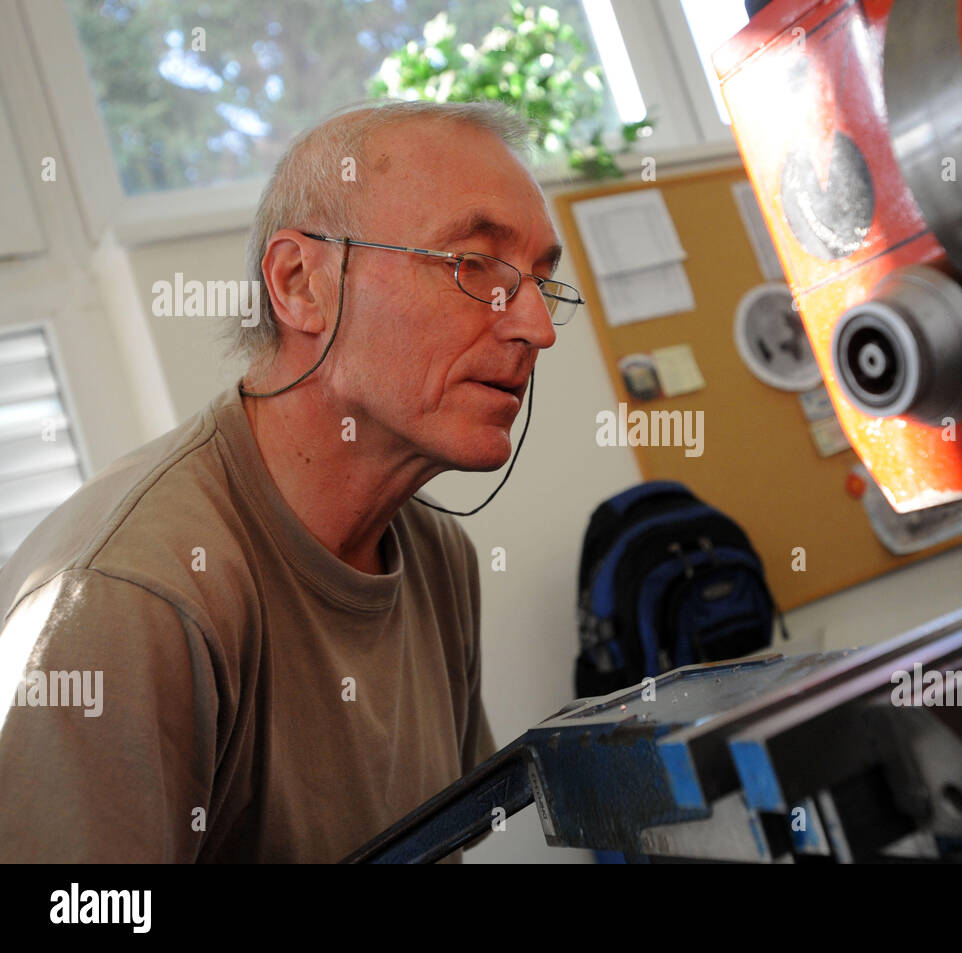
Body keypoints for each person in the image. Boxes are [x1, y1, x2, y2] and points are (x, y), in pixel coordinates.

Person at [0, 100, 575, 862]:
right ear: (301, 283)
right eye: (474, 266)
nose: (536, 327)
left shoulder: (436, 555)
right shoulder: (129, 595)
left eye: (542, 282)